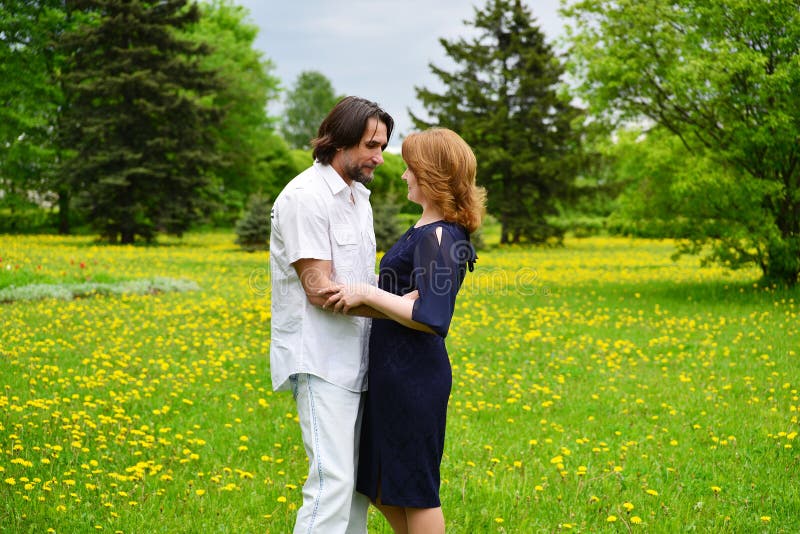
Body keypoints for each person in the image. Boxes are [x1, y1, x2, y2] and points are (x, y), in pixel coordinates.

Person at [323, 127, 486, 533]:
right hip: (394, 373)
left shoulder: (440, 234)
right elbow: (414, 299)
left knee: (415, 489)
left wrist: (368, 293)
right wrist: (381, 298)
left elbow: (433, 317)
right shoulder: (429, 228)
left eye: (410, 168)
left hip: (414, 376)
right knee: (377, 484)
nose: (403, 175)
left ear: (431, 174)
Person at [269, 96, 394, 533]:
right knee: (333, 483)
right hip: (320, 361)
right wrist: (403, 310)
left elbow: (362, 279)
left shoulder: (359, 198)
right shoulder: (306, 196)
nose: (379, 157)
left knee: (357, 490)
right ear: (339, 141)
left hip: (358, 360)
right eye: (371, 146)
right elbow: (319, 290)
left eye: (382, 146)